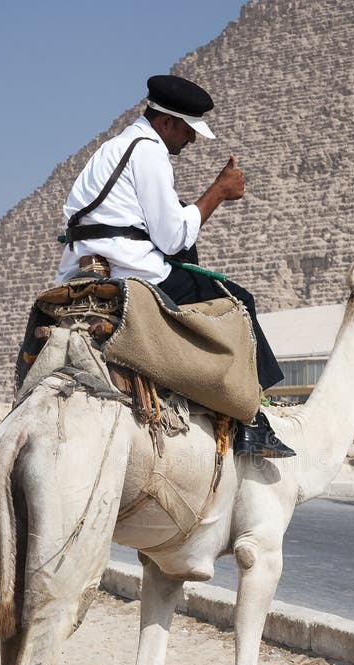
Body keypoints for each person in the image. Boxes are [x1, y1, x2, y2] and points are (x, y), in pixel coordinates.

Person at [55, 74, 294, 459]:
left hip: (80, 268)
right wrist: (218, 191)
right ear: (165, 122)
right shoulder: (149, 153)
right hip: (132, 270)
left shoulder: (111, 149)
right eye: (188, 130)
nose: (192, 140)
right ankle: (253, 421)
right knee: (239, 303)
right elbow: (172, 238)